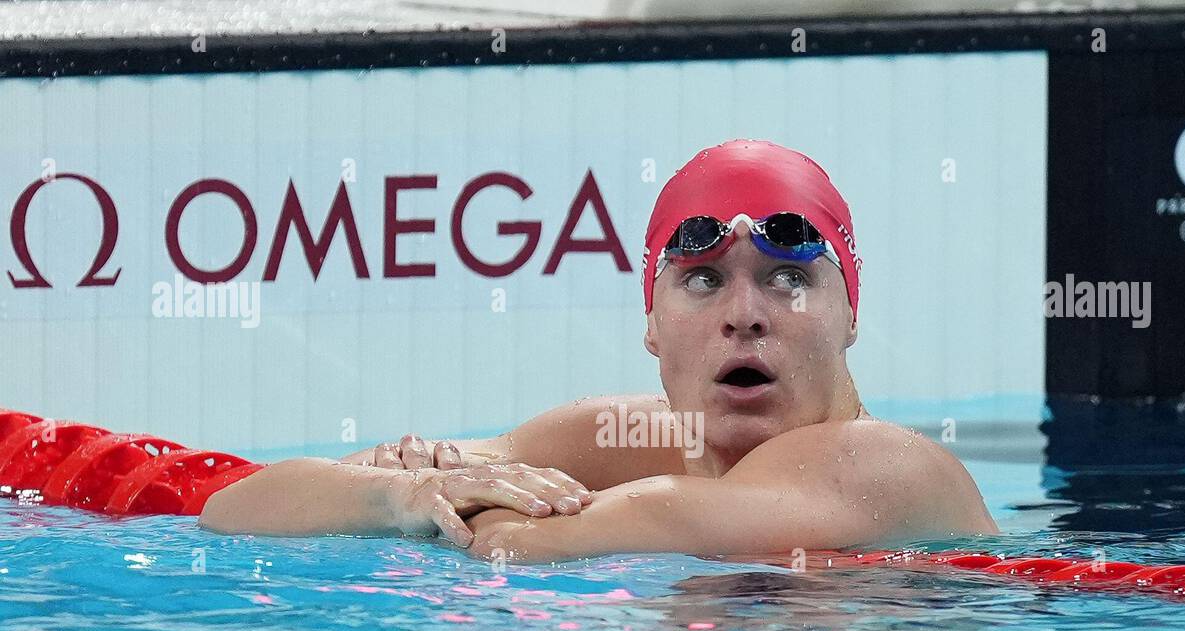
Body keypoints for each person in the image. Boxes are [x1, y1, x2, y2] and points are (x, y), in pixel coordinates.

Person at [200, 139, 997, 561]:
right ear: (650, 325)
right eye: (703, 279)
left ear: (850, 312)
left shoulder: (888, 465)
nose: (746, 315)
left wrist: (457, 502)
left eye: (789, 279)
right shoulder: (622, 440)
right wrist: (400, 500)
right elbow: (236, 510)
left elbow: (529, 544)